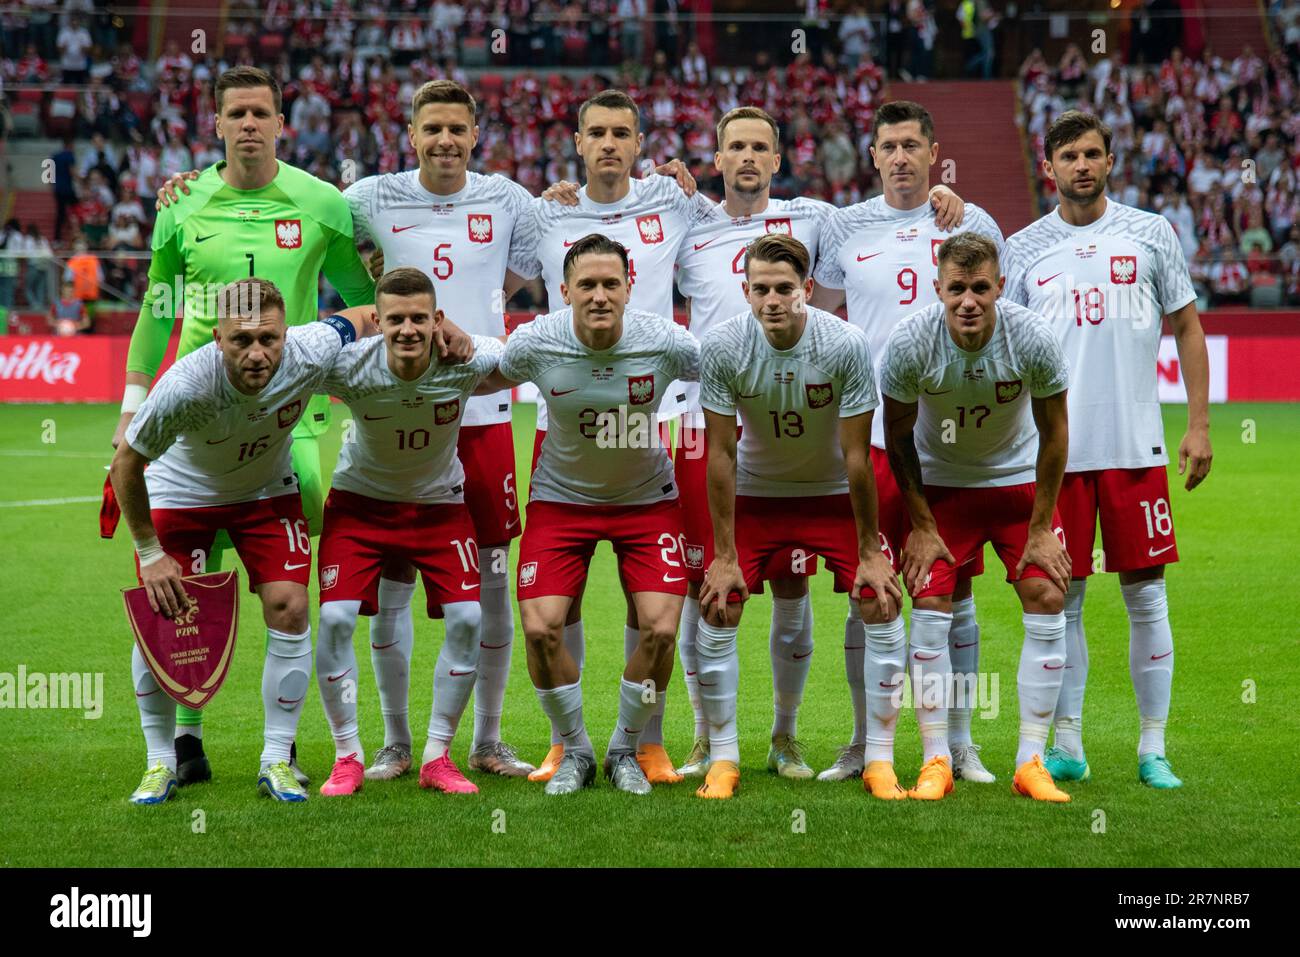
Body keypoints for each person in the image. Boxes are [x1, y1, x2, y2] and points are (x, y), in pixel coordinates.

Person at [673, 104, 962, 779]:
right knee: (705, 586)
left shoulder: (816, 218)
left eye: (759, 148)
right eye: (734, 147)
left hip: (809, 430)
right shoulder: (686, 221)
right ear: (715, 159)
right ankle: (702, 736)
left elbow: (893, 216)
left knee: (796, 592)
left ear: (777, 159)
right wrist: (657, 180)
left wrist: (943, 196)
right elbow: (627, 213)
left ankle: (788, 735)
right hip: (705, 419)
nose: (746, 158)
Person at [120, 66, 378, 788]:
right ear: (218, 124)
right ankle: (188, 738)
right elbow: (157, 308)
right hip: (197, 403)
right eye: (237, 113)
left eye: (262, 111)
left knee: (309, 510)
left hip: (283, 396)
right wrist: (129, 407)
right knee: (187, 580)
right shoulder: (182, 202)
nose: (250, 124)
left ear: (281, 120)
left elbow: (359, 299)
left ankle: (284, 742)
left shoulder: (321, 202)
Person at [1003, 110, 1212, 789]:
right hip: (1053, 458)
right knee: (1060, 601)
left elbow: (1187, 327)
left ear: (1111, 160)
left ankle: (1153, 748)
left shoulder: (1152, 233)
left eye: (1093, 153)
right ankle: (1067, 745)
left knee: (1146, 598)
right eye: (1069, 156)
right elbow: (1005, 351)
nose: (1082, 165)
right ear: (1049, 167)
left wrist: (1200, 424)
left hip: (1134, 447)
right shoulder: (1024, 248)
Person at [108, 279, 375, 804]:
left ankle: (276, 759)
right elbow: (125, 466)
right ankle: (159, 764)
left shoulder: (311, 347)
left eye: (269, 339)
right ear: (217, 337)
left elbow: (366, 314)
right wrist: (149, 553)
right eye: (242, 340)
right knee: (163, 621)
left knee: (290, 606)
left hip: (263, 491)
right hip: (181, 495)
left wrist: (445, 327)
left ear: (286, 334)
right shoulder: (186, 386)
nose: (258, 354)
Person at [342, 80, 539, 780]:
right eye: (433, 128)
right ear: (412, 134)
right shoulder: (369, 195)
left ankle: (486, 738)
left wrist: (479, 315)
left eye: (458, 128)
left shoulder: (509, 199)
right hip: (397, 409)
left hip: (481, 413)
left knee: (490, 578)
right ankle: (398, 742)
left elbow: (552, 255)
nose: (446, 140)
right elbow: (309, 218)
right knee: (393, 575)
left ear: (476, 134)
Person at [513, 88, 710, 784]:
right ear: (575, 140)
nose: (607, 144)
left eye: (621, 133)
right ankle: (568, 742)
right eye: (595, 132)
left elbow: (741, 231)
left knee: (651, 603)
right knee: (553, 607)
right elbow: (494, 281)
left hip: (658, 415)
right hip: (566, 416)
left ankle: (645, 739)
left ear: (638, 142)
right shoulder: (545, 212)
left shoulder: (676, 200)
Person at [810, 99, 1001, 783]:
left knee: (956, 595)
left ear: (932, 151)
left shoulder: (968, 221)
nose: (899, 157)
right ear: (873, 156)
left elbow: (999, 311)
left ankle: (959, 743)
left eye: (911, 145)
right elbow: (819, 313)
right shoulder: (845, 227)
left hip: (950, 437)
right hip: (873, 439)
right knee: (872, 592)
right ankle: (867, 741)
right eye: (887, 146)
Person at [479, 234, 700, 795]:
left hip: (648, 502)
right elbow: (486, 373)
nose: (599, 296)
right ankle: (574, 748)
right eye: (587, 285)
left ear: (630, 288)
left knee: (661, 631)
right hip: (561, 502)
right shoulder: (537, 342)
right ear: (564, 291)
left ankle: (626, 747)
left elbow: (729, 369)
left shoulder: (666, 343)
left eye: (610, 284)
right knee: (541, 630)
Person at [695, 233, 901, 799]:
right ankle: (724, 756)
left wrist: (870, 551)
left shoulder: (845, 344)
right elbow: (721, 453)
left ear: (807, 289)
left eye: (785, 288)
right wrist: (724, 554)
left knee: (879, 598)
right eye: (760, 289)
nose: (772, 300)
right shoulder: (722, 345)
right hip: (759, 493)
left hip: (832, 492)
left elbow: (858, 457)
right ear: (745, 290)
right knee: (720, 602)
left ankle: (875, 758)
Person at [879, 232, 1074, 802]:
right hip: (942, 489)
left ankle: (1030, 761)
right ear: (937, 288)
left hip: (1015, 487)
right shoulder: (911, 341)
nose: (968, 300)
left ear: (1000, 288)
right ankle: (937, 757)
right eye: (956, 289)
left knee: (1047, 596)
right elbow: (895, 438)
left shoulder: (1032, 337)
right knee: (932, 603)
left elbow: (1056, 433)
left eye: (980, 288)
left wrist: (1041, 529)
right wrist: (920, 524)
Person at [314, 268, 505, 797]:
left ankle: (438, 756)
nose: (407, 330)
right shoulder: (350, 367)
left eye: (419, 318)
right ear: (377, 320)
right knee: (334, 618)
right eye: (395, 319)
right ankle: (347, 755)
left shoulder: (465, 360)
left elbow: (528, 357)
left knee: (469, 618)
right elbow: (293, 356)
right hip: (360, 508)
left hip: (439, 508)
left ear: (437, 320)